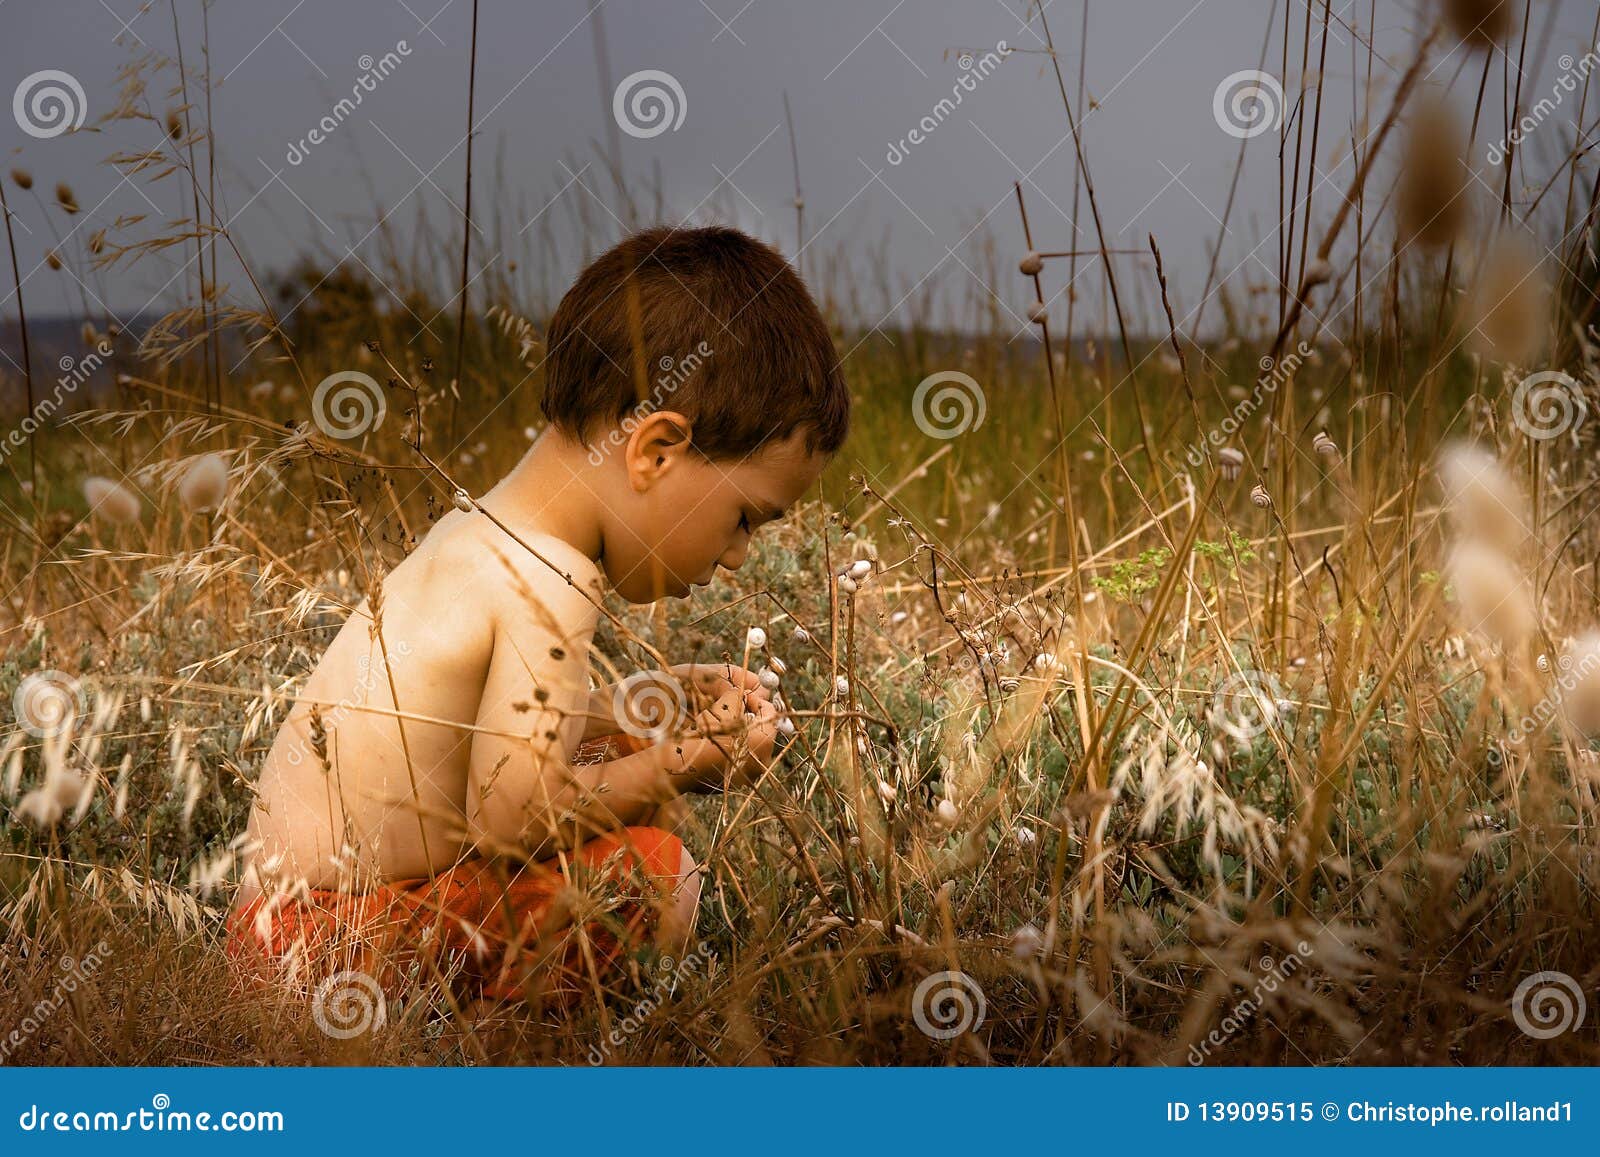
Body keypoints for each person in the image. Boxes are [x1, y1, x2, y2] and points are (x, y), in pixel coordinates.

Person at [227, 225, 850, 1010]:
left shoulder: (483, 532)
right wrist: (686, 758)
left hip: (276, 933)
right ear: (655, 449)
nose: (736, 556)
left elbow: (485, 742)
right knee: (658, 877)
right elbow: (514, 812)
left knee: (620, 780)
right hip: (318, 947)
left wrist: (638, 710)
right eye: (745, 518)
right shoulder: (552, 583)